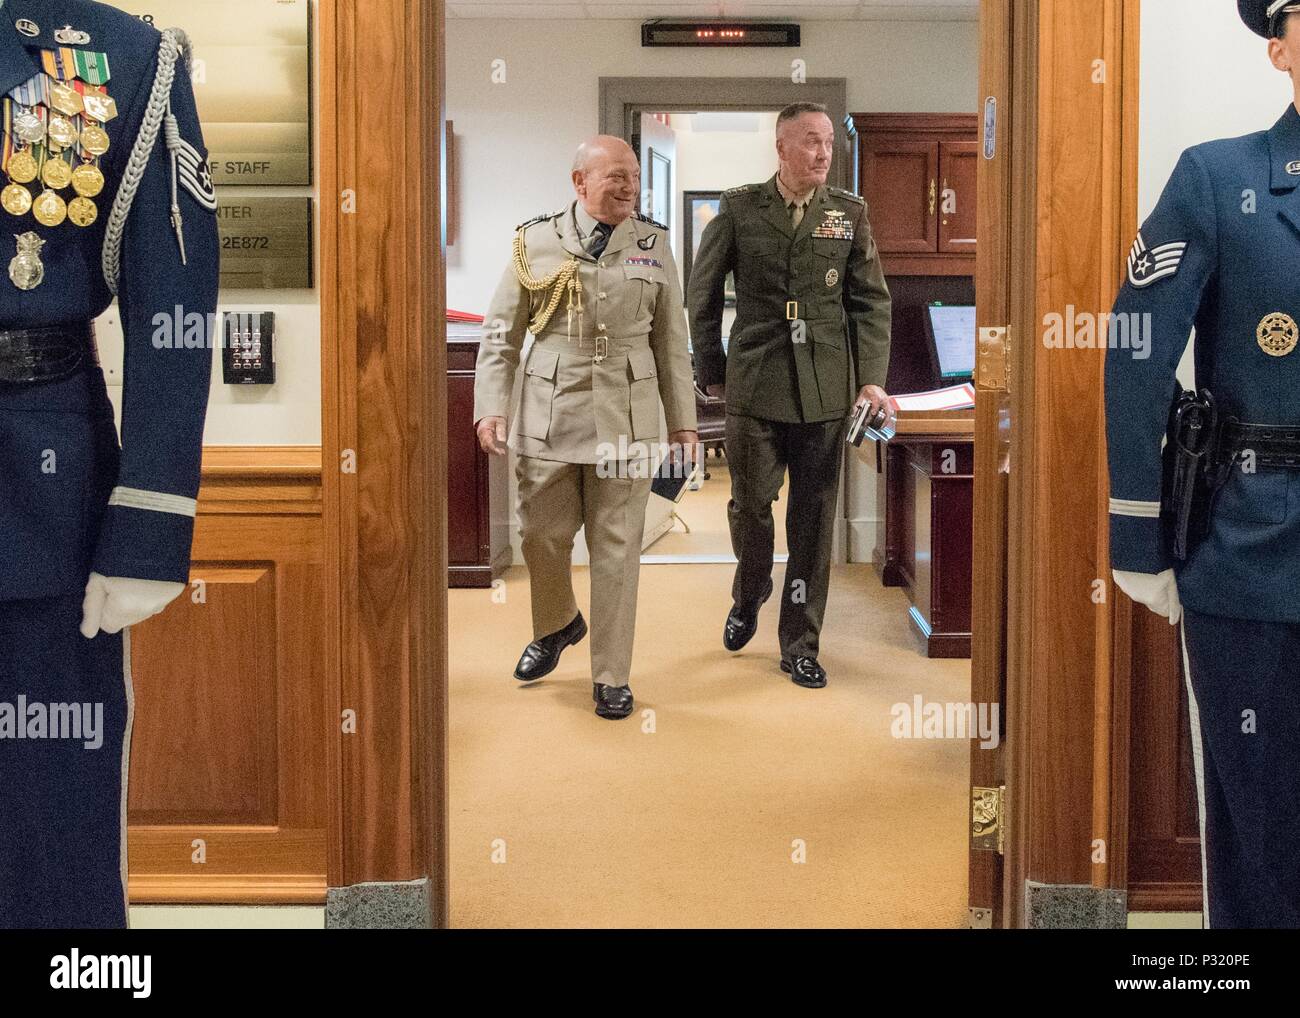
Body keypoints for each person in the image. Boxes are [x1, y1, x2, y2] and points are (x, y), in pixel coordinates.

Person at [0, 0, 219, 928]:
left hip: (36, 484)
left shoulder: (122, 54)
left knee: (53, 816)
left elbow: (175, 297)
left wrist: (151, 519)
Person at [1105, 0, 1300, 927]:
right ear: (1281, 47)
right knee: (1263, 834)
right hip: (1258, 549)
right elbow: (1137, 347)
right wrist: (1140, 536)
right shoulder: (1222, 180)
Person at [474, 135, 698, 720]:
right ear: (580, 182)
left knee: (616, 549)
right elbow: (502, 335)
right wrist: (490, 406)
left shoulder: (654, 245)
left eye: (633, 177)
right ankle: (558, 623)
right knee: (541, 536)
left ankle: (611, 676)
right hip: (550, 412)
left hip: (627, 414)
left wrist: (684, 425)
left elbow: (672, 342)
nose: (628, 187)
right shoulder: (535, 242)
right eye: (615, 177)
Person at [688, 102, 892, 689]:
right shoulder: (739, 208)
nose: (823, 153)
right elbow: (701, 296)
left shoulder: (849, 214)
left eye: (828, 142)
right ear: (781, 148)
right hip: (754, 383)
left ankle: (800, 642)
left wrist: (870, 379)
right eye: (810, 142)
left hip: (826, 390)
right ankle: (750, 591)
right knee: (751, 507)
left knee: (813, 519)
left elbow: (871, 303)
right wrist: (713, 370)